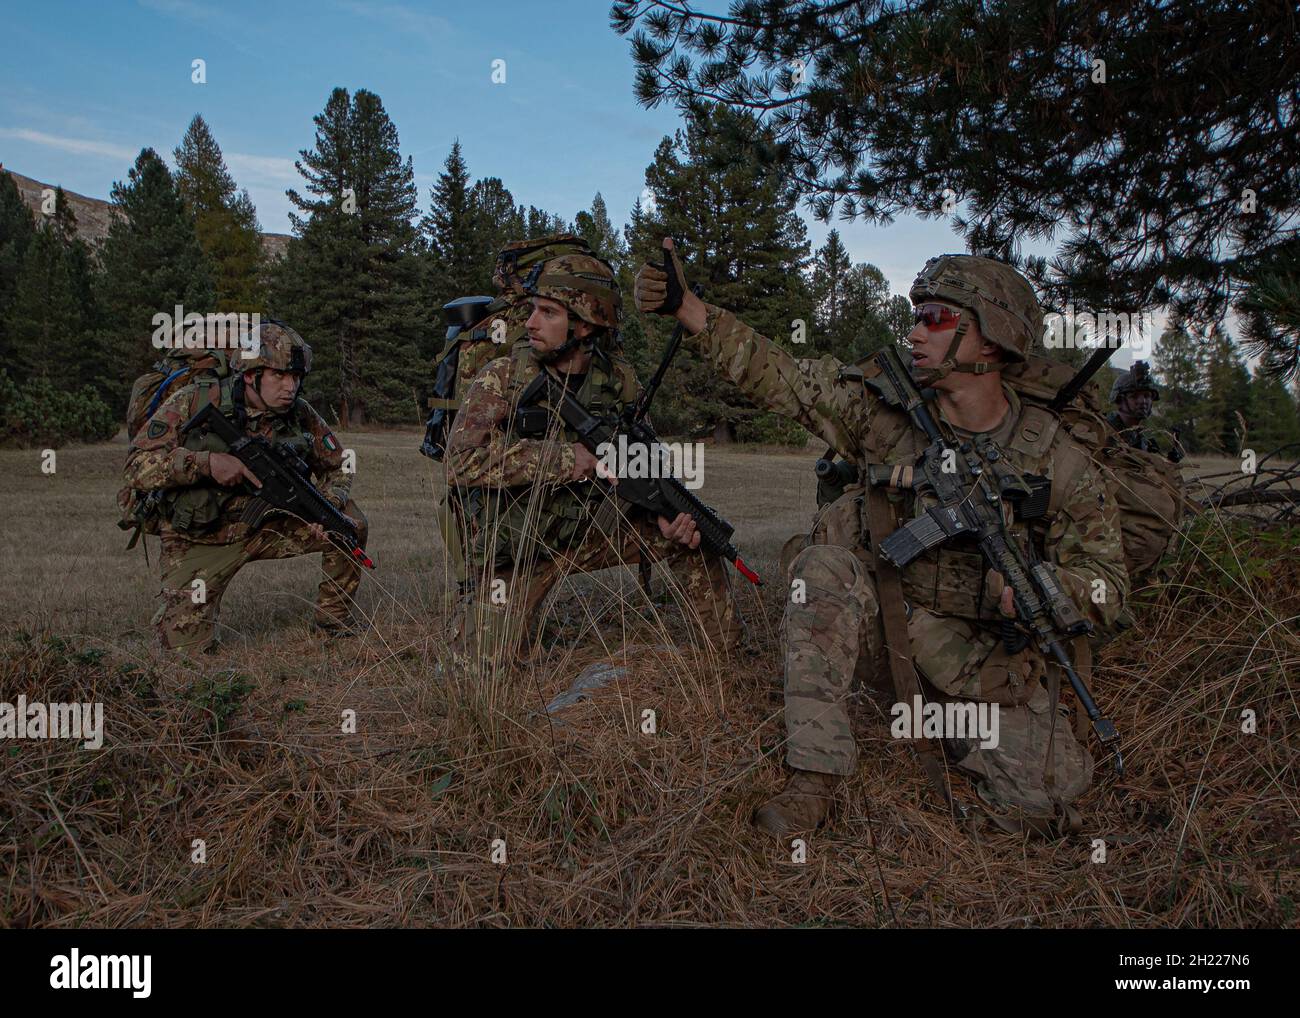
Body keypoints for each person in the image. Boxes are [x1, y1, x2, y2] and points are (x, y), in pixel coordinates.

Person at [635, 242, 1129, 834]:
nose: (916, 332)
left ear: (992, 340)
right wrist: (688, 308)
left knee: (1046, 797)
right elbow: (786, 379)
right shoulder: (887, 415)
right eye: (915, 316)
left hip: (986, 661)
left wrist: (1047, 589)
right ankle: (814, 778)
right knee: (822, 568)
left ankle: (953, 725)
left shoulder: (1058, 459)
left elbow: (1110, 585)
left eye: (938, 319)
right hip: (889, 628)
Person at [445, 253, 742, 663]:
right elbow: (459, 461)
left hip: (594, 530)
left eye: (547, 312)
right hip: (524, 546)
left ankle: (726, 657)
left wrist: (661, 511)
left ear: (585, 324)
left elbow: (645, 456)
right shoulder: (504, 377)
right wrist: (566, 460)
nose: (530, 323)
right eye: (533, 309)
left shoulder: (617, 380)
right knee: (476, 661)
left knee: (695, 536)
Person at [121, 321, 367, 652]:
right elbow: (136, 467)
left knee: (348, 525)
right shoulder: (195, 400)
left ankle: (333, 625)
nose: (290, 387)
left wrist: (328, 504)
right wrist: (205, 464)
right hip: (200, 536)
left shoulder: (299, 413)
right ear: (251, 376)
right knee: (184, 654)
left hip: (265, 524)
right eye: (278, 376)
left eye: (295, 377)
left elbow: (341, 463)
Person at [1107, 360, 1184, 463]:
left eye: (1147, 396)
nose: (1143, 401)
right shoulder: (1105, 431)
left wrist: (1168, 463)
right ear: (1119, 400)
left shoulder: (1139, 437)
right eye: (1134, 396)